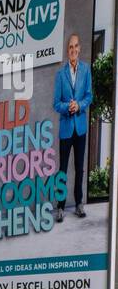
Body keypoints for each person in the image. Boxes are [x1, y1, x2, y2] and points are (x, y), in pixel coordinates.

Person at [53, 33, 93, 221]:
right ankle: (60, 207)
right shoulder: (60, 74)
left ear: (80, 48)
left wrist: (79, 105)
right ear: (67, 50)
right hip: (66, 128)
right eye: (70, 47)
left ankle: (78, 203)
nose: (73, 50)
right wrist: (68, 108)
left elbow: (88, 96)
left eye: (76, 46)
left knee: (79, 168)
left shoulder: (86, 71)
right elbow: (55, 103)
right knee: (62, 169)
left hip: (81, 128)